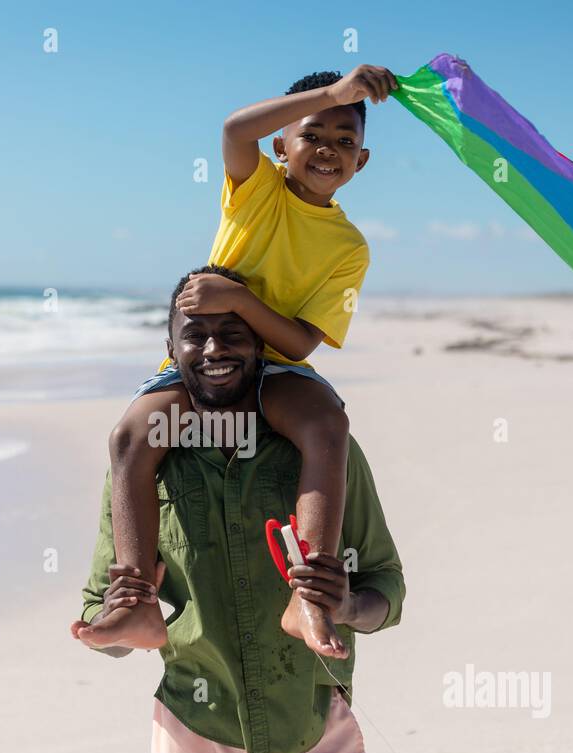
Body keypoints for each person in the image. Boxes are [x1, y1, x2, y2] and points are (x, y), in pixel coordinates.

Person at [71, 268, 406, 753]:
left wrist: (345, 604)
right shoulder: (146, 470)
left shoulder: (322, 455)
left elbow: (387, 589)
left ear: (261, 346)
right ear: (171, 351)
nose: (214, 349)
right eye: (195, 335)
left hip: (312, 730)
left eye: (234, 332)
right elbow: (106, 624)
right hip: (193, 734)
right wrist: (113, 619)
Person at [88, 65, 400, 664]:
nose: (328, 150)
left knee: (327, 426)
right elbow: (234, 129)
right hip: (203, 364)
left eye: (345, 140)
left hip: (278, 370)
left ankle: (307, 594)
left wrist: (240, 301)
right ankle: (135, 599)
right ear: (282, 144)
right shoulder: (257, 190)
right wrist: (338, 94)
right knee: (131, 435)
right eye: (313, 134)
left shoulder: (350, 247)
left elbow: (303, 341)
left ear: (362, 160)